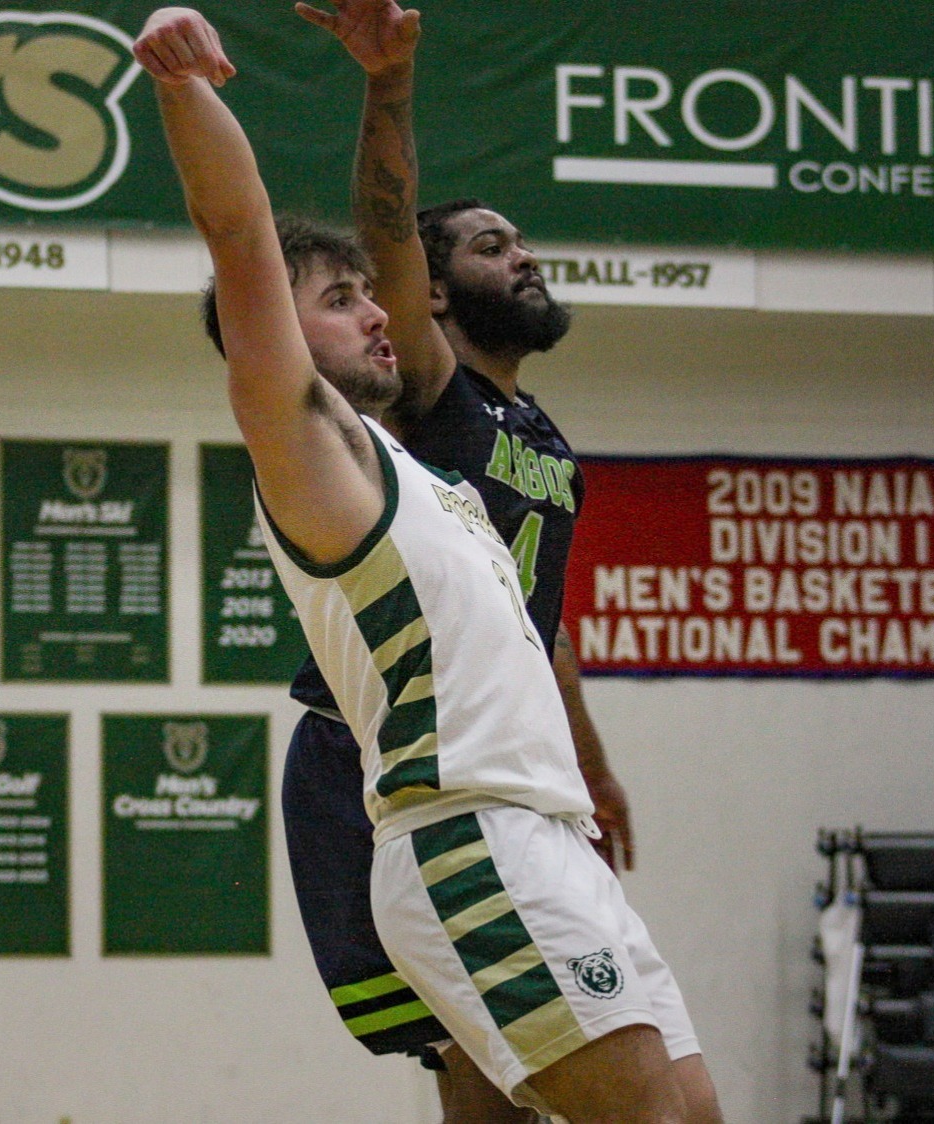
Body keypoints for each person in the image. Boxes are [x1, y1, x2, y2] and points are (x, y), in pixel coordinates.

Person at [132, 10, 709, 1121]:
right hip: (469, 831)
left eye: (370, 290)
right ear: (283, 344)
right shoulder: (314, 445)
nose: (377, 311)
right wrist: (183, 88)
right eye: (339, 300)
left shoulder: (438, 471)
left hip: (552, 833)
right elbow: (240, 236)